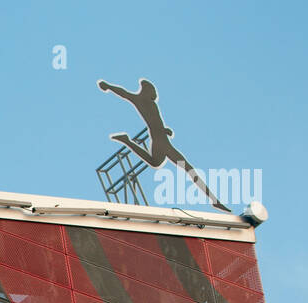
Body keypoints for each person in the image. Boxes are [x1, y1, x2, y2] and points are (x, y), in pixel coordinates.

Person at [97, 78, 228, 211]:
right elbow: (123, 93)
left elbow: (156, 122)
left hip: (162, 139)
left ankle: (127, 141)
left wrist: (165, 129)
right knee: (186, 167)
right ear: (146, 91)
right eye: (152, 91)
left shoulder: (151, 104)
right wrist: (108, 86)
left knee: (158, 163)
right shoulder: (140, 101)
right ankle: (214, 199)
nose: (154, 95)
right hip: (161, 142)